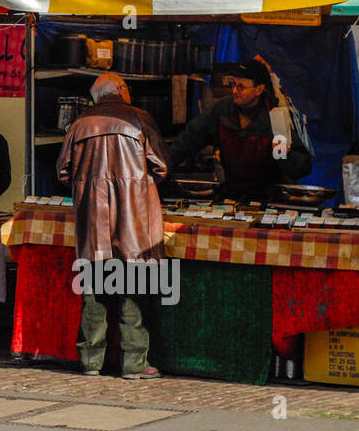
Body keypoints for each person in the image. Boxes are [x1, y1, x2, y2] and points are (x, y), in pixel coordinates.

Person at [56, 74, 168, 381]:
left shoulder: (79, 125)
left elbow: (63, 170)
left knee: (94, 289)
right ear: (120, 90)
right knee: (133, 286)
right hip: (134, 218)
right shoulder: (139, 119)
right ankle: (133, 364)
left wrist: (88, 187)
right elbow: (161, 165)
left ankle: (91, 361)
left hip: (92, 217)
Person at [168, 57, 312, 200]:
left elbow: (303, 167)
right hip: (231, 196)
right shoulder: (223, 109)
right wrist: (164, 165)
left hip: (268, 199)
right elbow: (189, 139)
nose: (235, 90)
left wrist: (284, 156)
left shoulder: (277, 116)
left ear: (259, 89)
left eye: (241, 86)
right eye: (233, 84)